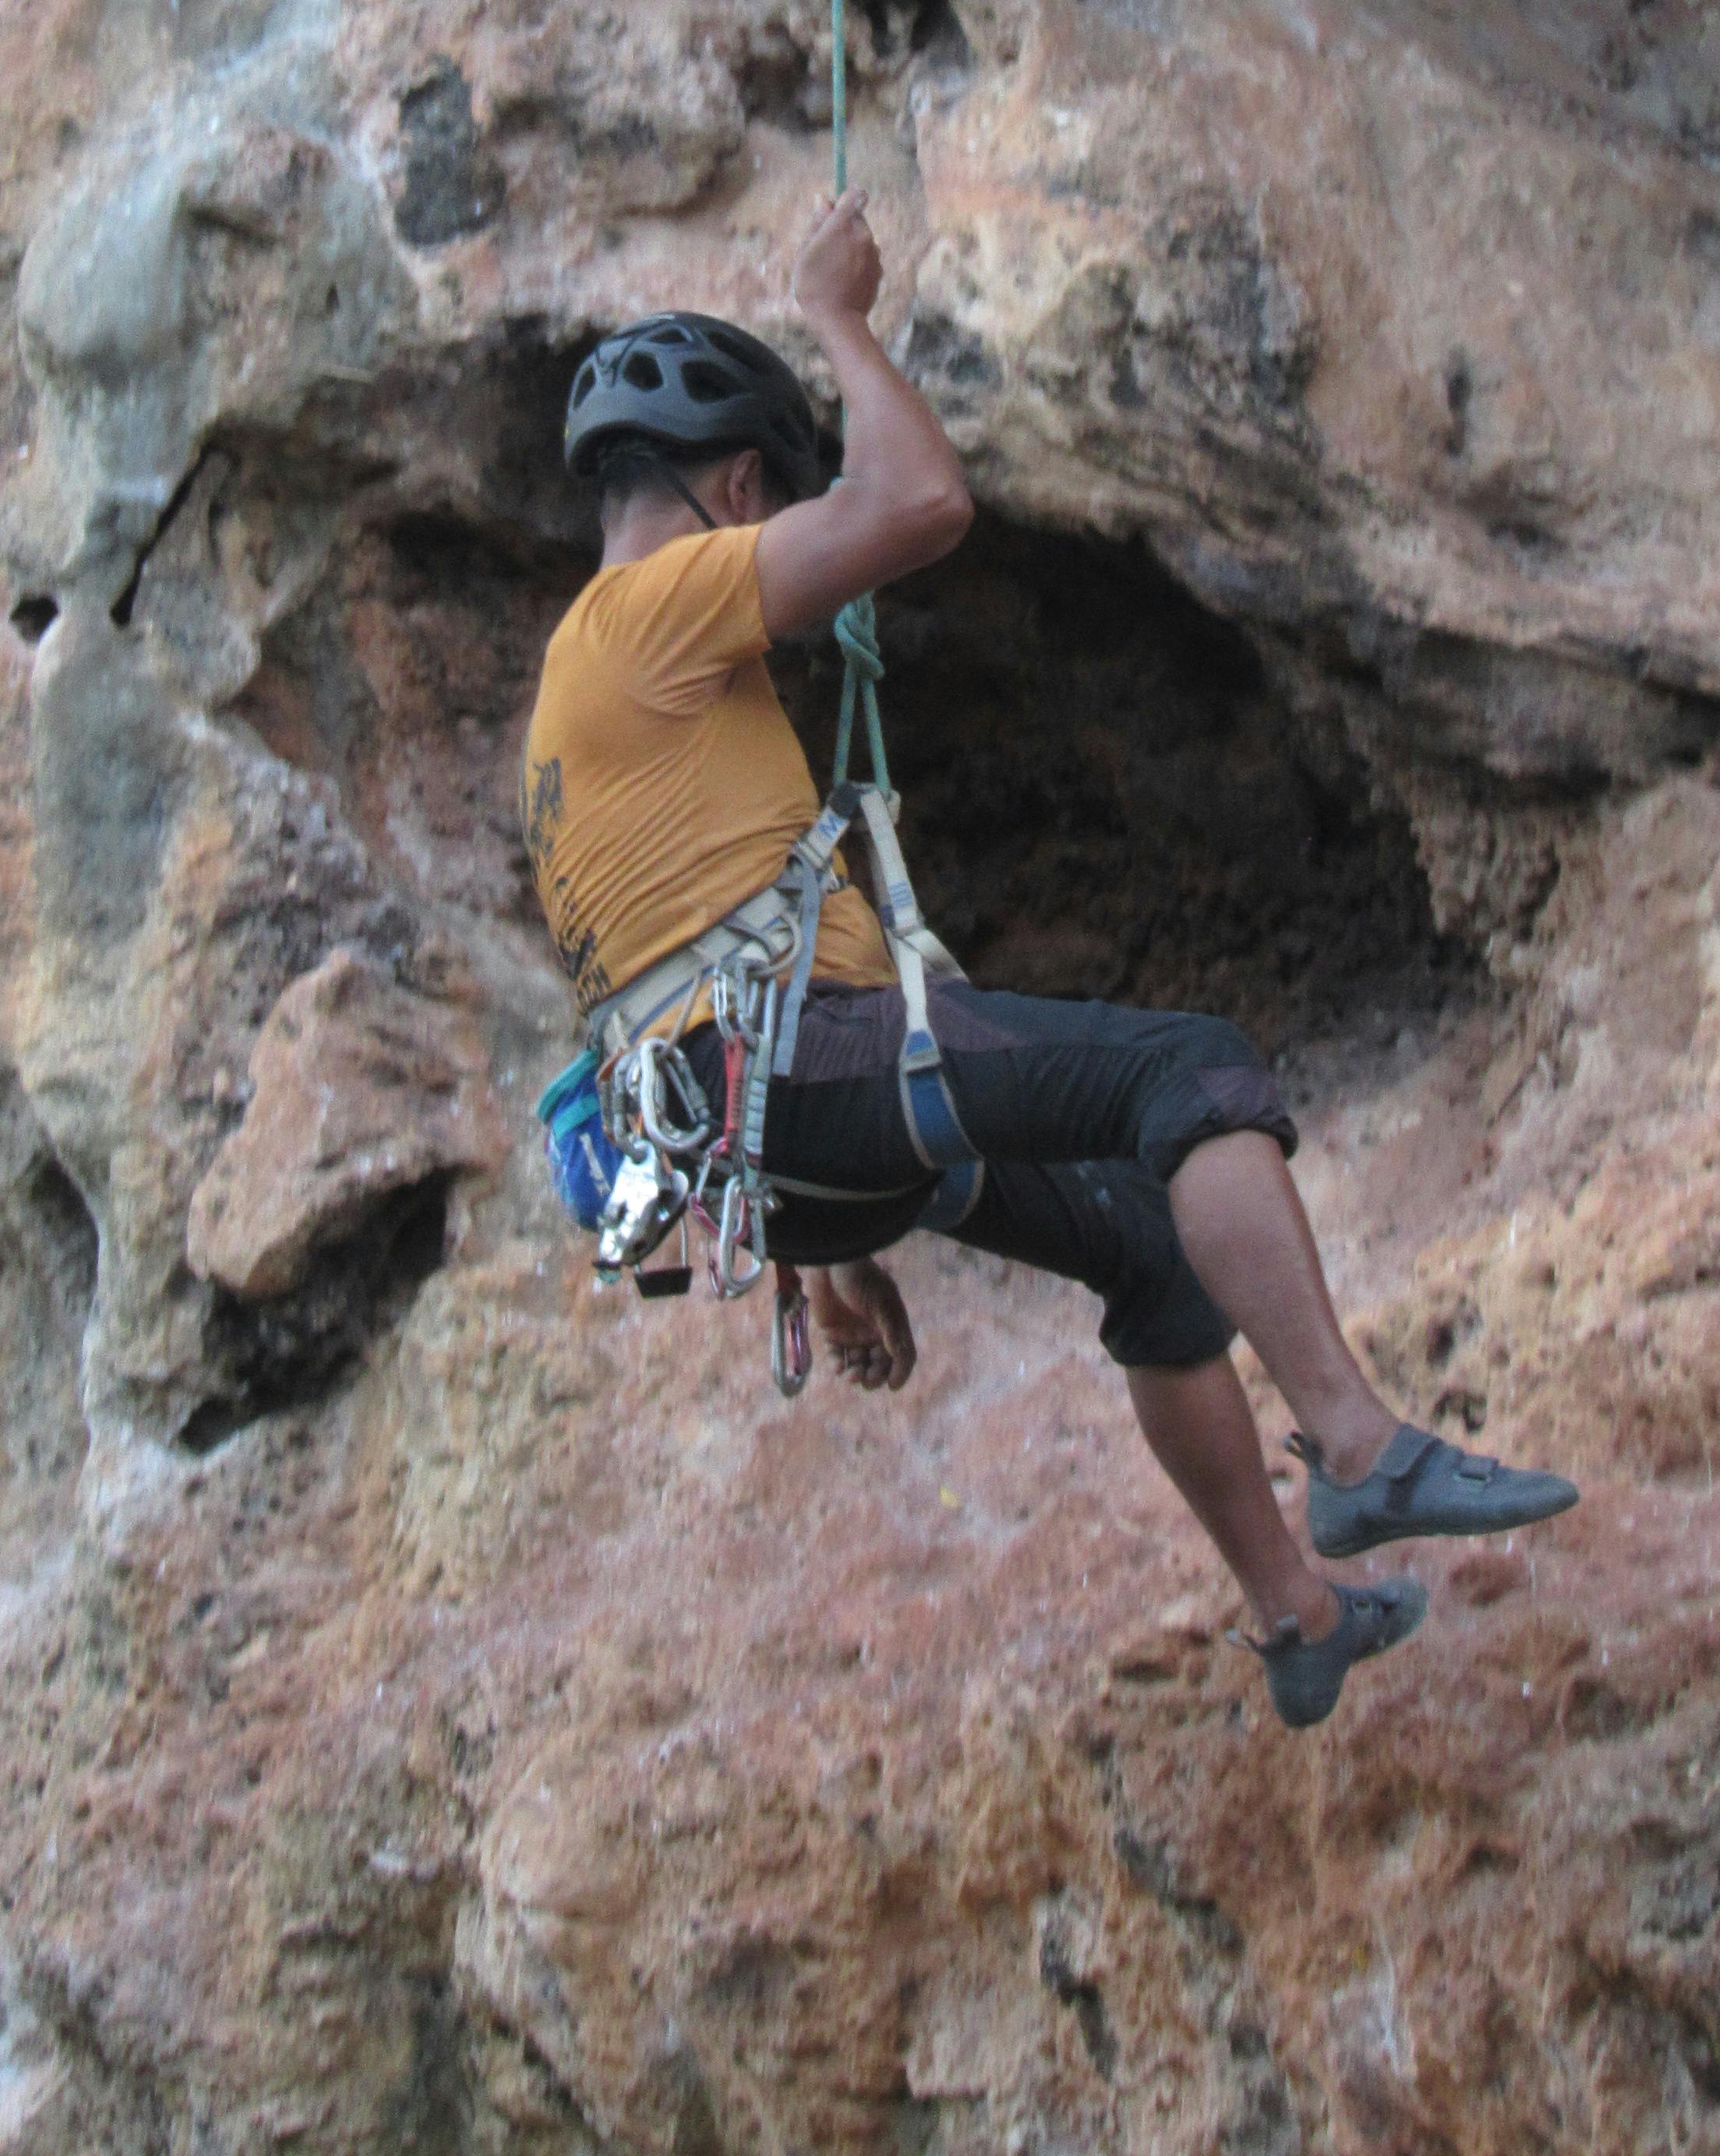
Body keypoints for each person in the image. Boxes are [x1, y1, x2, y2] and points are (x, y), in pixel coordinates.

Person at [521, 192, 1577, 1727]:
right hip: (809, 1077)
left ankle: (1297, 1615)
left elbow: (679, 1007)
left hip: (776, 1134)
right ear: (738, 483)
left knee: (1149, 1250)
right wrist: (836, 318)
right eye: (769, 507)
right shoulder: (648, 612)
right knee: (1194, 1076)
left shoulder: (566, 723)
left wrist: (830, 1241)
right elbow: (921, 505)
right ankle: (1357, 1447)